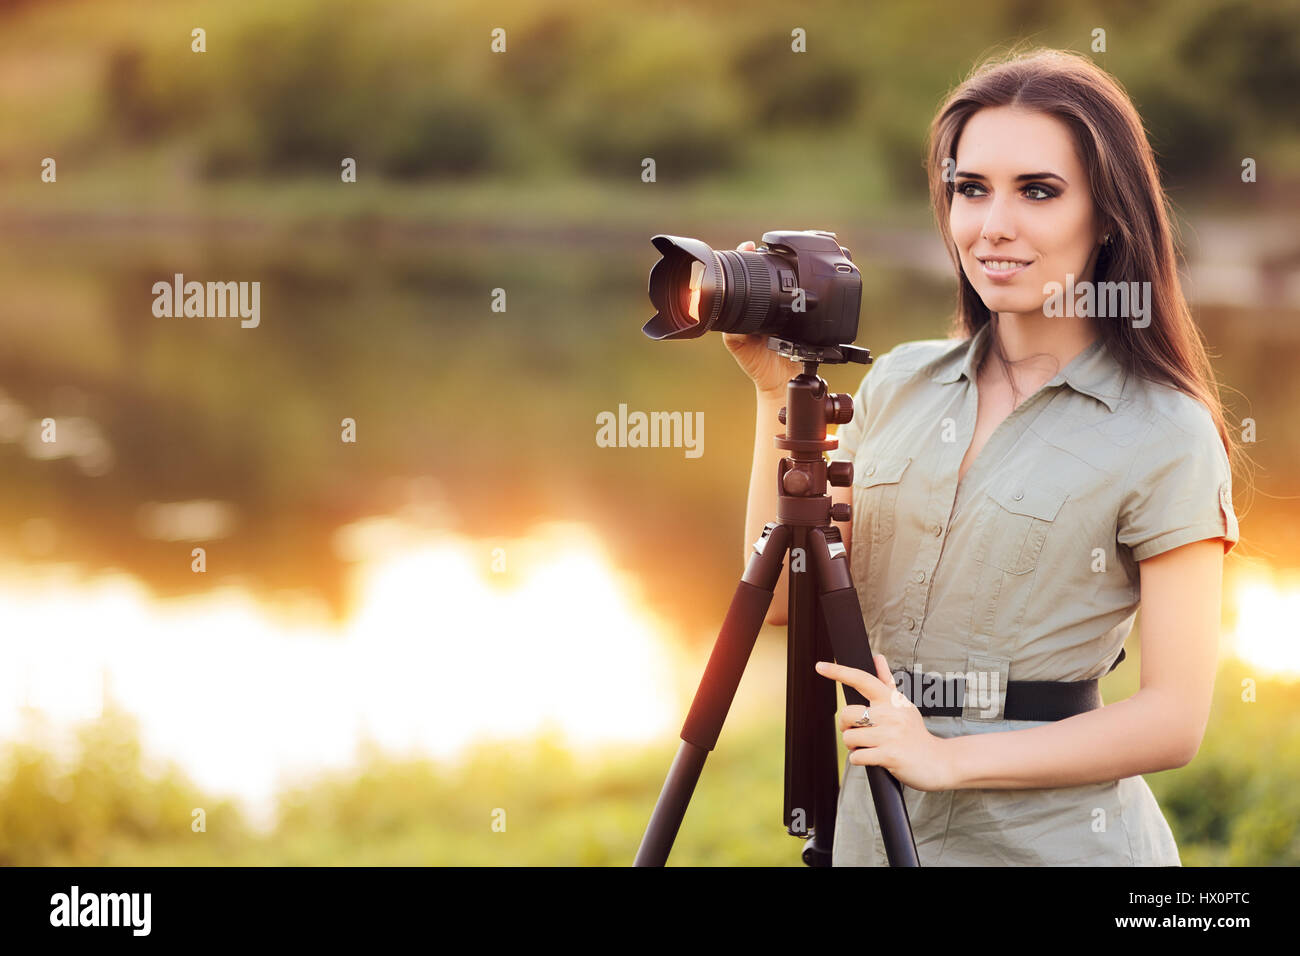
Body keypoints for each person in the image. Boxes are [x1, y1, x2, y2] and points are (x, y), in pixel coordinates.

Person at [725, 47, 1244, 865]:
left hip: (1058, 846)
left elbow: (1173, 719)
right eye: (971, 189)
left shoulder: (1164, 431)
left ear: (1109, 217)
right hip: (875, 831)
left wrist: (949, 759)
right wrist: (770, 395)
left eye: (1037, 191)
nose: (992, 224)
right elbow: (789, 600)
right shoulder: (894, 386)